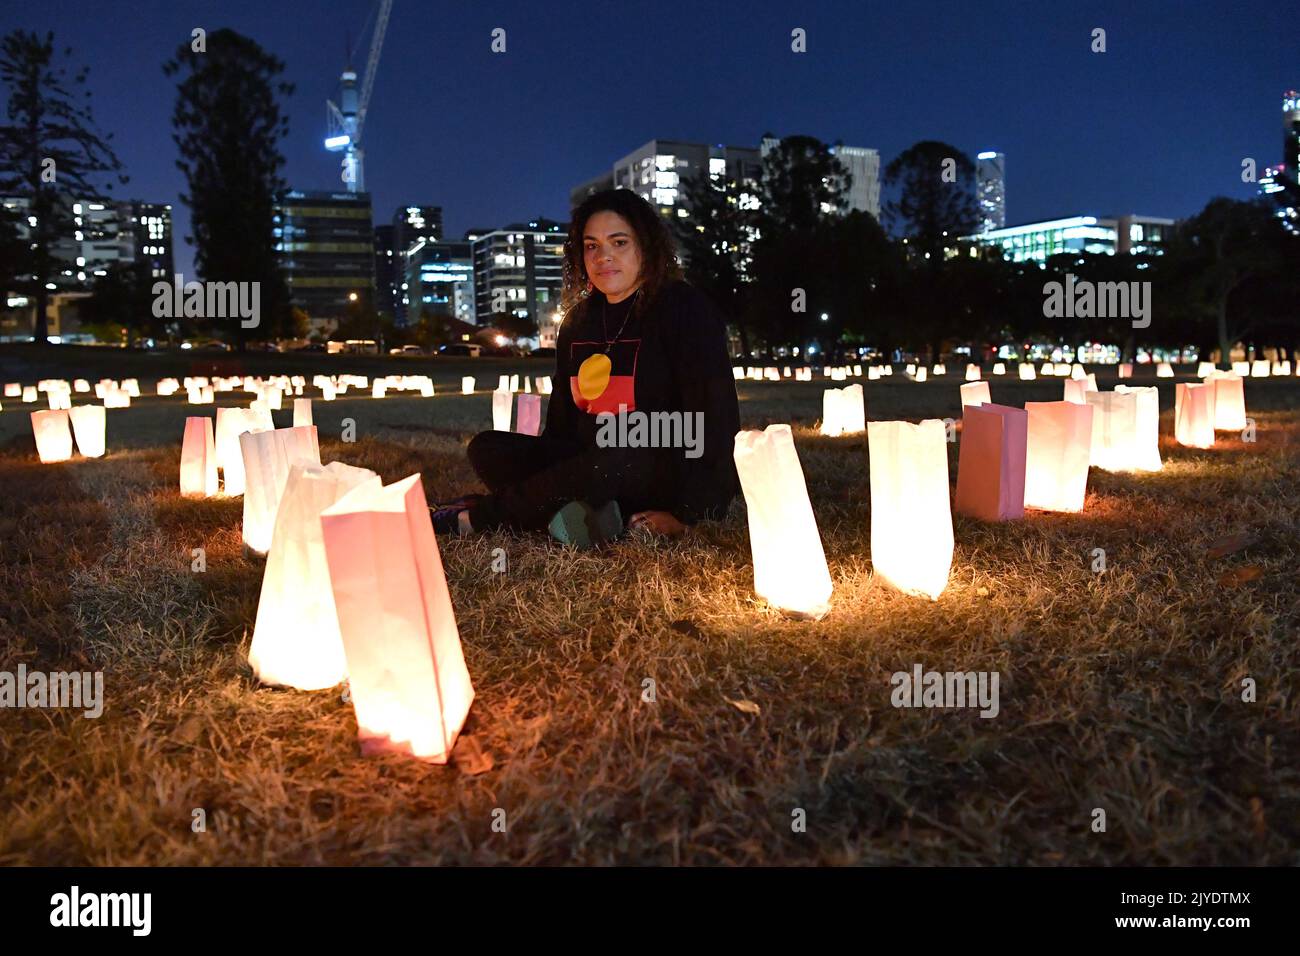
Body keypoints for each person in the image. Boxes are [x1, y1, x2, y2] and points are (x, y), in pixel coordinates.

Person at [431, 188, 741, 546]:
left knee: (622, 450)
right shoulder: (579, 321)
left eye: (619, 242)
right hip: (592, 464)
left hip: (657, 463)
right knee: (487, 448)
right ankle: (593, 513)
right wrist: (551, 471)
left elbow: (716, 422)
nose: (603, 256)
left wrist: (691, 515)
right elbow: (562, 424)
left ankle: (476, 518)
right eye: (592, 245)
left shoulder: (685, 309)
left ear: (647, 246)